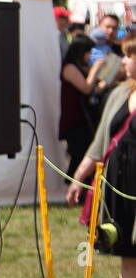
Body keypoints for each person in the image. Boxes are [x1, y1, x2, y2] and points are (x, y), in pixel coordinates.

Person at [67, 34, 136, 278]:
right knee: (128, 254)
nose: (123, 61)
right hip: (121, 184)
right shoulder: (120, 92)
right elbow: (100, 143)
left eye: (129, 55)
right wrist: (78, 178)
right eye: (124, 55)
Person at [60, 34, 99, 178]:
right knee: (77, 154)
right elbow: (86, 88)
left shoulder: (81, 66)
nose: (90, 56)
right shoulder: (70, 67)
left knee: (82, 152)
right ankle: (73, 184)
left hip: (83, 118)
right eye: (88, 51)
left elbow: (94, 88)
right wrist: (96, 68)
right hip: (73, 119)